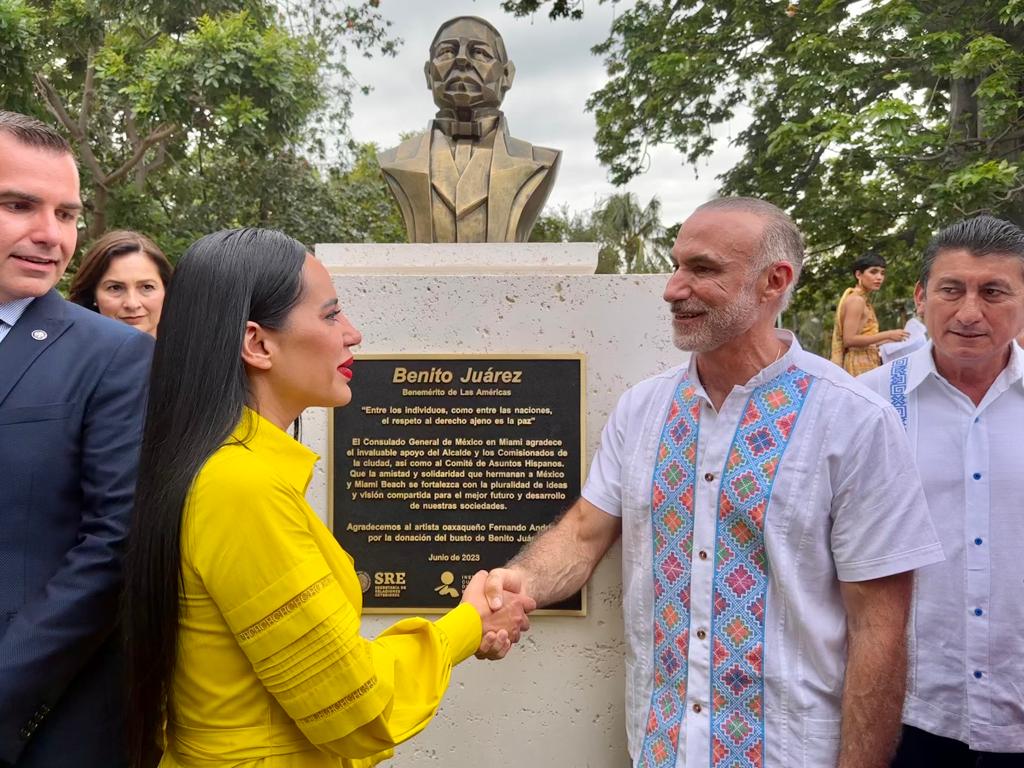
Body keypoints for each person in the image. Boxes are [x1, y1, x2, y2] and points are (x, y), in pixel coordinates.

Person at [484, 197, 945, 768]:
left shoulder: (854, 419)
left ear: (773, 282)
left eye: (702, 270)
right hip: (660, 749)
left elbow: (880, 628)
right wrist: (517, 580)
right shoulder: (643, 409)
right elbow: (583, 533)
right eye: (677, 266)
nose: (674, 288)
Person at [122, 228, 534, 768]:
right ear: (258, 344)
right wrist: (466, 624)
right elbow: (358, 709)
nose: (353, 334)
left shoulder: (234, 469)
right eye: (331, 315)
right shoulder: (241, 488)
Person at [0, 111, 153, 767]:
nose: (49, 235)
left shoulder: (114, 357)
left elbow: (114, 544)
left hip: (42, 723)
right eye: (18, 205)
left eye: (65, 214)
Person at [859, 216, 1024, 766]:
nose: (970, 312)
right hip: (910, 710)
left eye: (994, 292)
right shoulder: (865, 406)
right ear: (921, 297)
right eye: (952, 290)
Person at [378, 15, 561, 243]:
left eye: (480, 52)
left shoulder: (539, 162)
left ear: (506, 75)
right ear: (428, 73)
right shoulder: (397, 160)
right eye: (447, 52)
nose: (462, 60)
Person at [68, 229, 172, 337]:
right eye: (115, 288)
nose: (132, 304)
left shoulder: (189, 351)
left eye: (147, 287)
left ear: (167, 291)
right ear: (93, 295)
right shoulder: (66, 352)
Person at [830, 252, 909, 375]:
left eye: (882, 273)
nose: (879, 277)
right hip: (858, 364)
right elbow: (849, 340)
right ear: (858, 274)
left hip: (869, 360)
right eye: (873, 272)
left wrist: (891, 339)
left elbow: (865, 338)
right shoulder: (856, 300)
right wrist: (887, 334)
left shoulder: (864, 300)